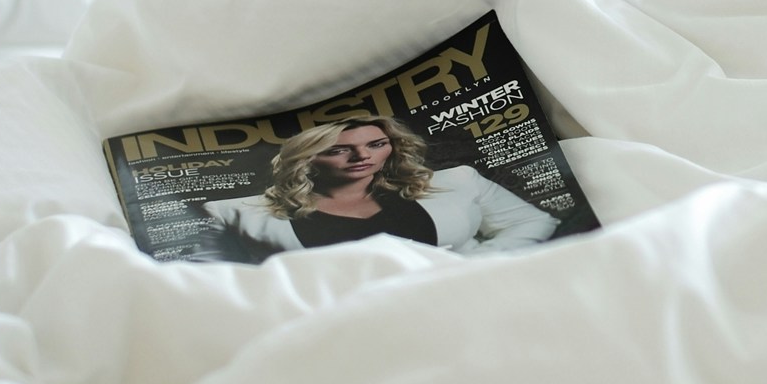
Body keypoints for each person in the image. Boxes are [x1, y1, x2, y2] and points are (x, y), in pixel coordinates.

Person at [197, 116, 564, 260]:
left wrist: (472, 265)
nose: (362, 156)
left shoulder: (457, 181)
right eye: (338, 150)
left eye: (376, 144)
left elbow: (534, 223)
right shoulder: (233, 212)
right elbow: (214, 283)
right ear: (306, 159)